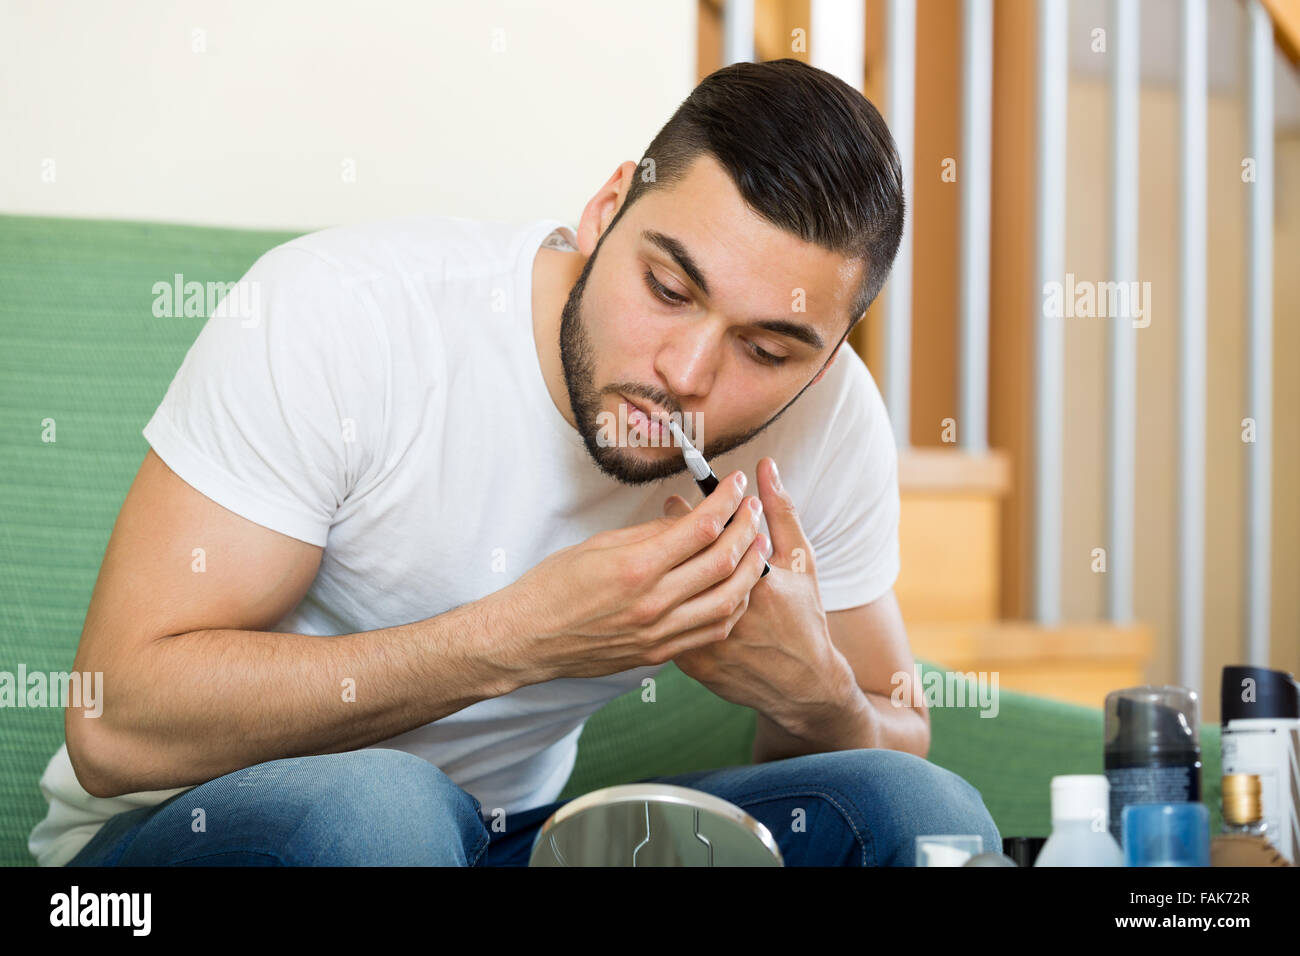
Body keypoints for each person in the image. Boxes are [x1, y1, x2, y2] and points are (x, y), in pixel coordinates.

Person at [30, 58, 999, 867]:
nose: (686, 373)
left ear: (826, 357)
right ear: (606, 206)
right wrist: (514, 637)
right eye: (667, 287)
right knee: (383, 812)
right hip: (177, 829)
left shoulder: (826, 419)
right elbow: (115, 726)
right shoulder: (344, 313)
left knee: (919, 812)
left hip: (505, 840)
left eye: (768, 349)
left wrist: (812, 690)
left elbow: (895, 719)